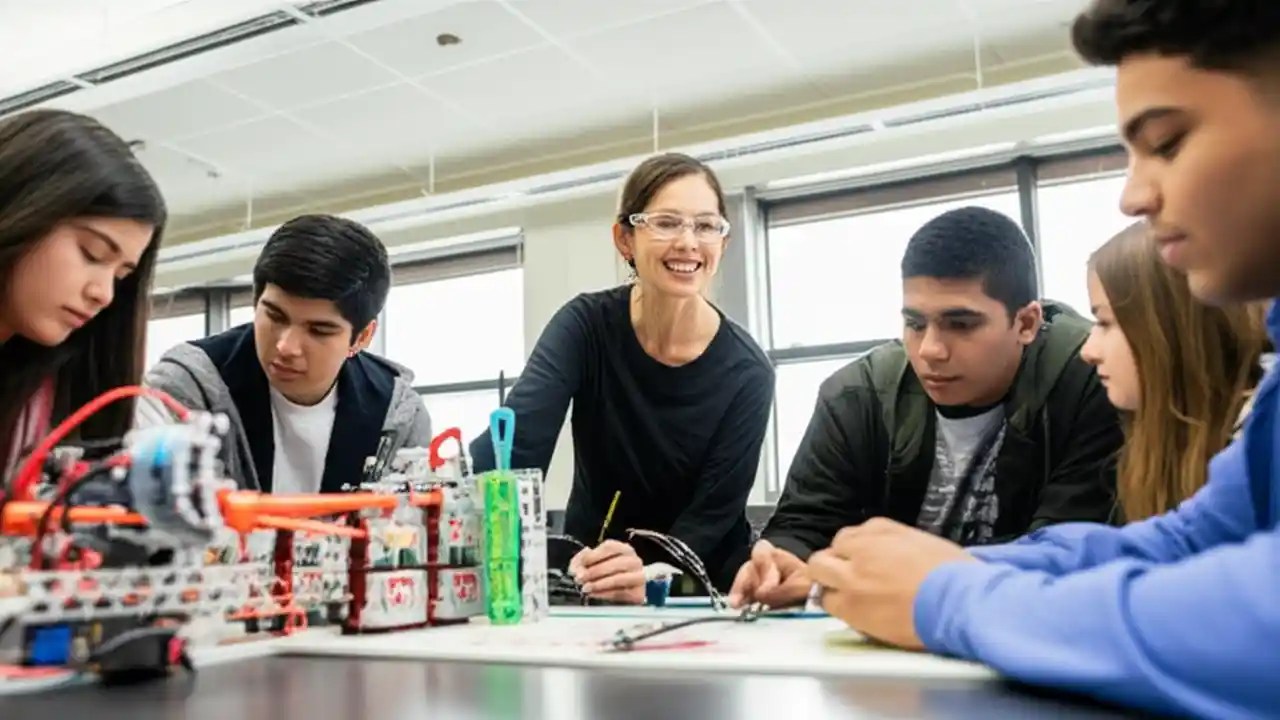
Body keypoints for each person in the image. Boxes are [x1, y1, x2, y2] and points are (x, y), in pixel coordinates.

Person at [806, 2, 1280, 718]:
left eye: (1169, 143)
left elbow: (1257, 626)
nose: (1132, 195)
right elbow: (1196, 538)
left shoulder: (1068, 386)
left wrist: (947, 595)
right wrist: (923, 569)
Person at [729, 206, 1123, 608]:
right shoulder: (857, 395)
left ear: (1026, 323)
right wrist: (782, 561)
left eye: (961, 324)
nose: (930, 350)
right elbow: (804, 525)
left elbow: (1070, 548)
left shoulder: (1094, 376)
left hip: (1022, 626)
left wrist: (907, 574)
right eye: (915, 323)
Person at [469, 152, 774, 604]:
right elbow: (518, 440)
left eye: (706, 225)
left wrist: (650, 572)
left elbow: (713, 514)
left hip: (698, 582)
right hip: (593, 570)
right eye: (667, 222)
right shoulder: (585, 327)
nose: (689, 242)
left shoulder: (748, 370)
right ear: (625, 239)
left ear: (722, 243)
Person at [136, 214, 431, 494]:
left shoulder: (399, 415)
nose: (286, 347)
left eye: (319, 330)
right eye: (275, 316)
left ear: (363, 336)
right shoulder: (186, 388)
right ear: (256, 302)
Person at [0, 109, 165, 482]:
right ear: (19, 209)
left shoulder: (44, 398)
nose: (103, 294)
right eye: (92, 253)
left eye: (121, 276)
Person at [1081, 221, 1267, 521]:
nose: (1087, 351)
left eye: (1105, 322)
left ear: (1169, 329)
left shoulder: (1261, 449)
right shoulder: (1162, 435)